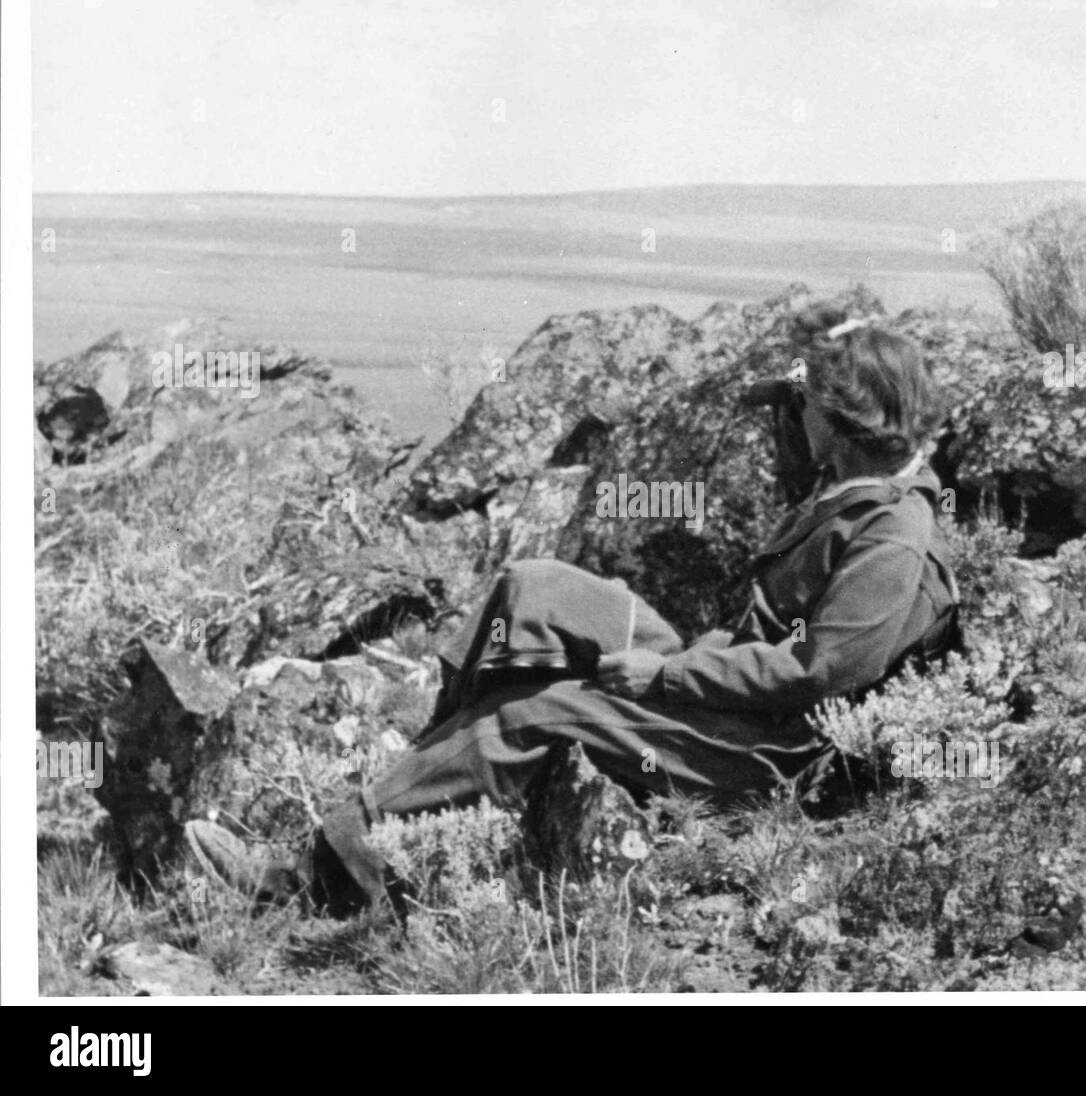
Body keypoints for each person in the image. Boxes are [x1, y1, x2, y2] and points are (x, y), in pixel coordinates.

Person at [185, 305, 961, 916]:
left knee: (535, 714)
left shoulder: (894, 531)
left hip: (770, 748)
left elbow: (821, 671)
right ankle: (434, 780)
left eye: (805, 402)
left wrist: (664, 677)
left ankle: (319, 873)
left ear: (848, 416)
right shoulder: (854, 486)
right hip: (728, 682)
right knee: (531, 589)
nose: (792, 416)